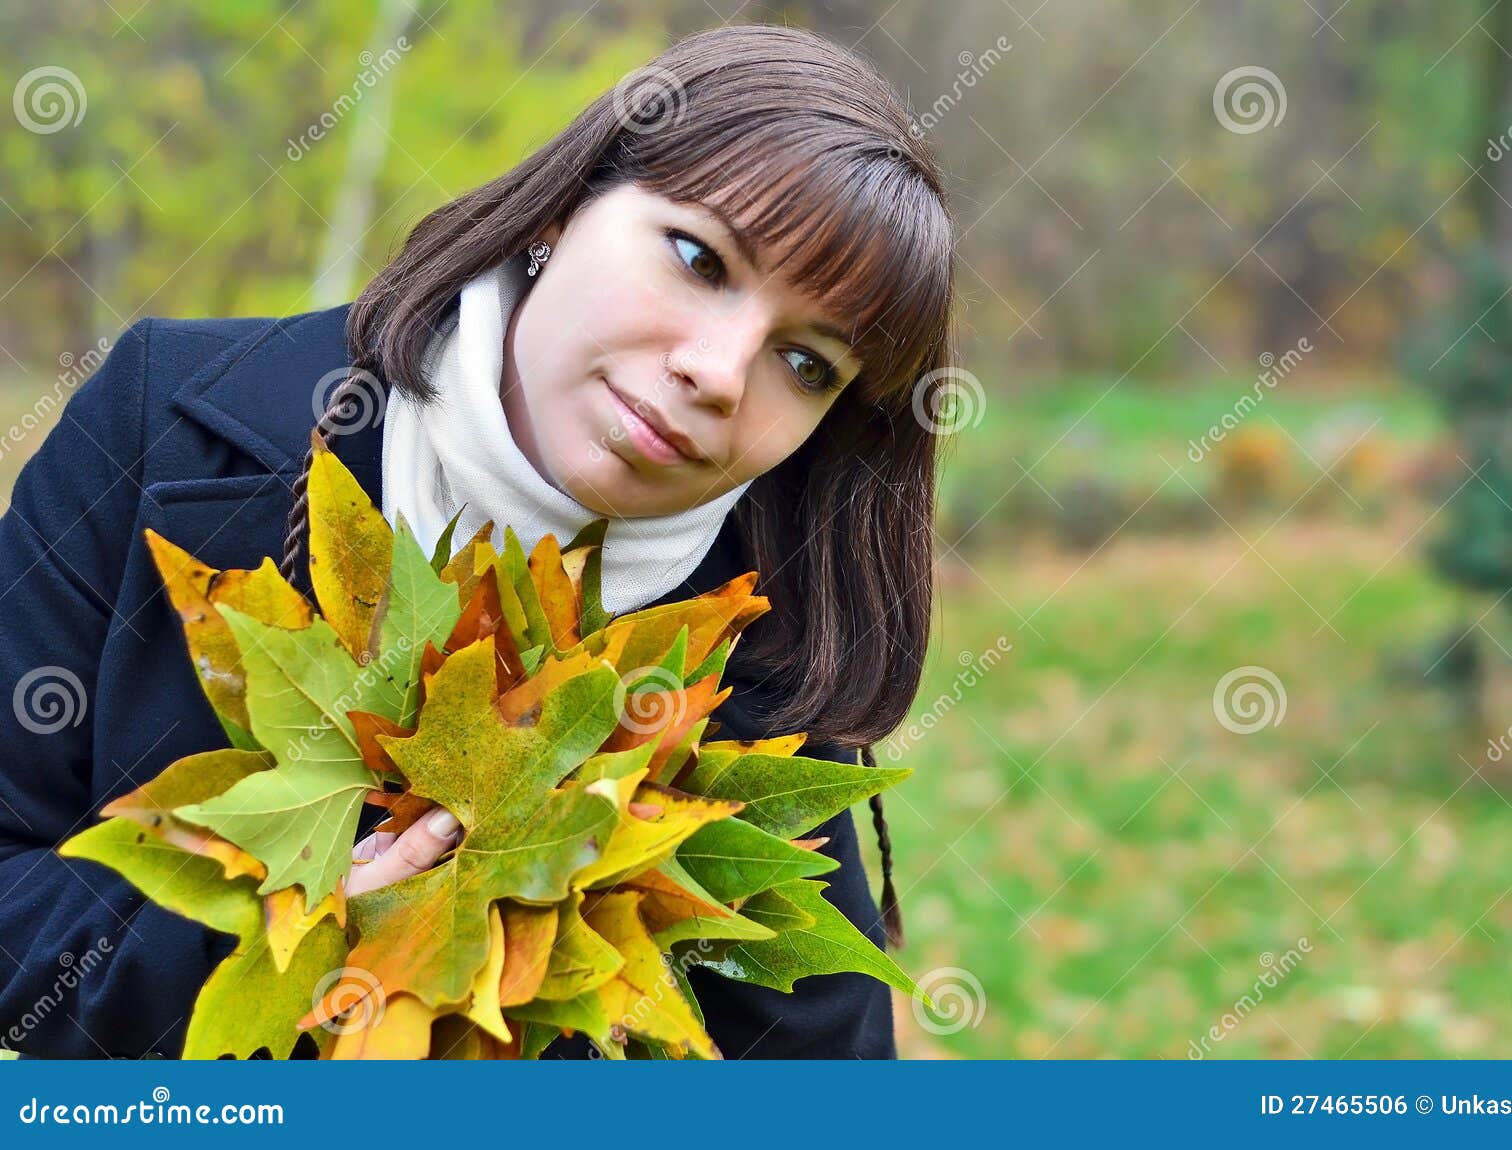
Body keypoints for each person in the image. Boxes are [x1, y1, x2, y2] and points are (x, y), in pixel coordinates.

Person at [0, 23, 955, 1059]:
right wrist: (291, 941)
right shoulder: (168, 425)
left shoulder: (755, 656)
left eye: (808, 363)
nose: (721, 372)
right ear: (563, 205)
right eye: (699, 258)